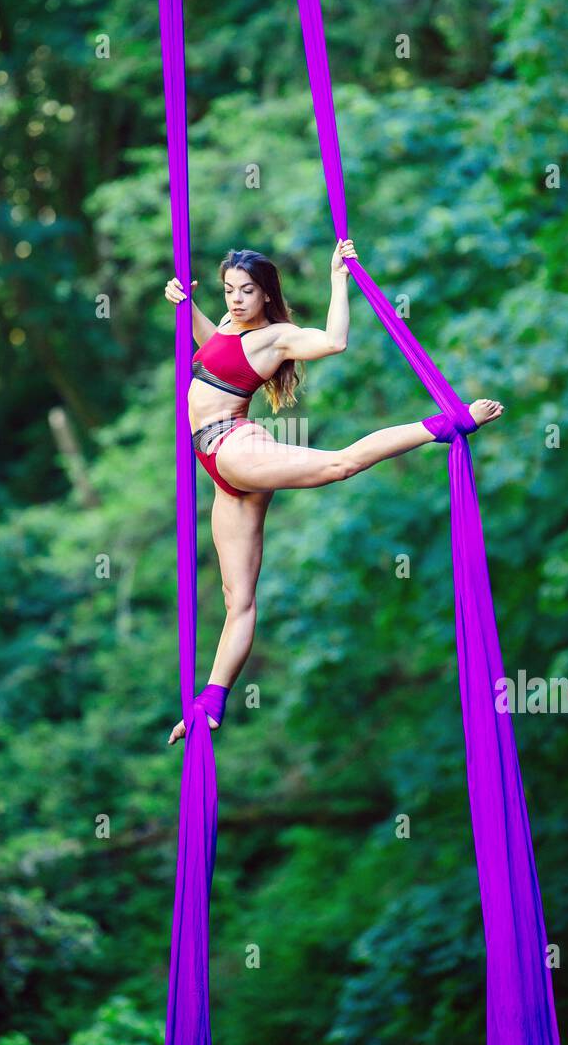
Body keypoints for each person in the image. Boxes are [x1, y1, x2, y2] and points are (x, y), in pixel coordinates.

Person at [164, 241, 503, 744]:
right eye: (229, 290)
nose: (235, 300)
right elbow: (215, 355)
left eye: (247, 291)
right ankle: (210, 704)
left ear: (266, 294)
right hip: (218, 465)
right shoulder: (231, 327)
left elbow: (334, 342)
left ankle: (447, 424)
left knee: (340, 464)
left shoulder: (276, 336)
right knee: (237, 599)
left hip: (233, 447)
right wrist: (185, 306)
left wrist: (338, 280)